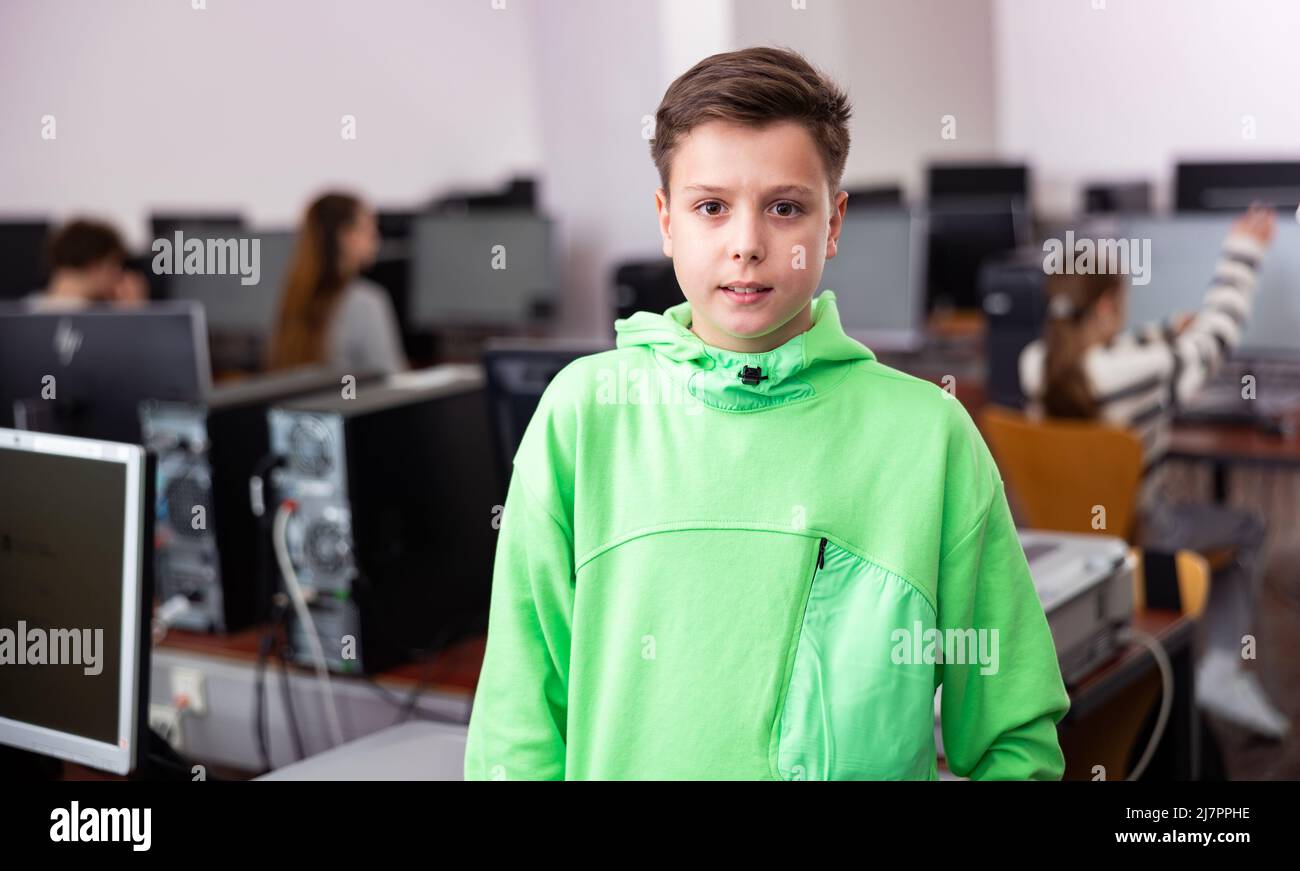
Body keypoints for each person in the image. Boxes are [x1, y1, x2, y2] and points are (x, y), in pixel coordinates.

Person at [463, 46, 1068, 780]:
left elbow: (1015, 738)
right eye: (711, 207)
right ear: (666, 220)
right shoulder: (582, 418)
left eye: (785, 208)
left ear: (834, 222)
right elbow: (515, 735)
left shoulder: (928, 436)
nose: (747, 245)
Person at [1018, 205, 1289, 739]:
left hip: (1074, 548)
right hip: (1149, 537)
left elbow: (1108, 360)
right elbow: (1213, 346)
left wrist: (1164, 330)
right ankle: (1220, 669)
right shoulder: (1141, 372)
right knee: (1247, 527)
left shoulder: (1036, 366)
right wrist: (1243, 255)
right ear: (1107, 308)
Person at [268, 192, 407, 375]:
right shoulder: (365, 302)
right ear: (346, 236)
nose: (376, 236)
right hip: (352, 402)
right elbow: (392, 381)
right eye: (368, 227)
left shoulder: (293, 295)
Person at [26, 218, 146, 311]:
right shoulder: (97, 322)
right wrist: (132, 313)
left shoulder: (27, 309)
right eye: (115, 265)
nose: (118, 274)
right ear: (95, 265)